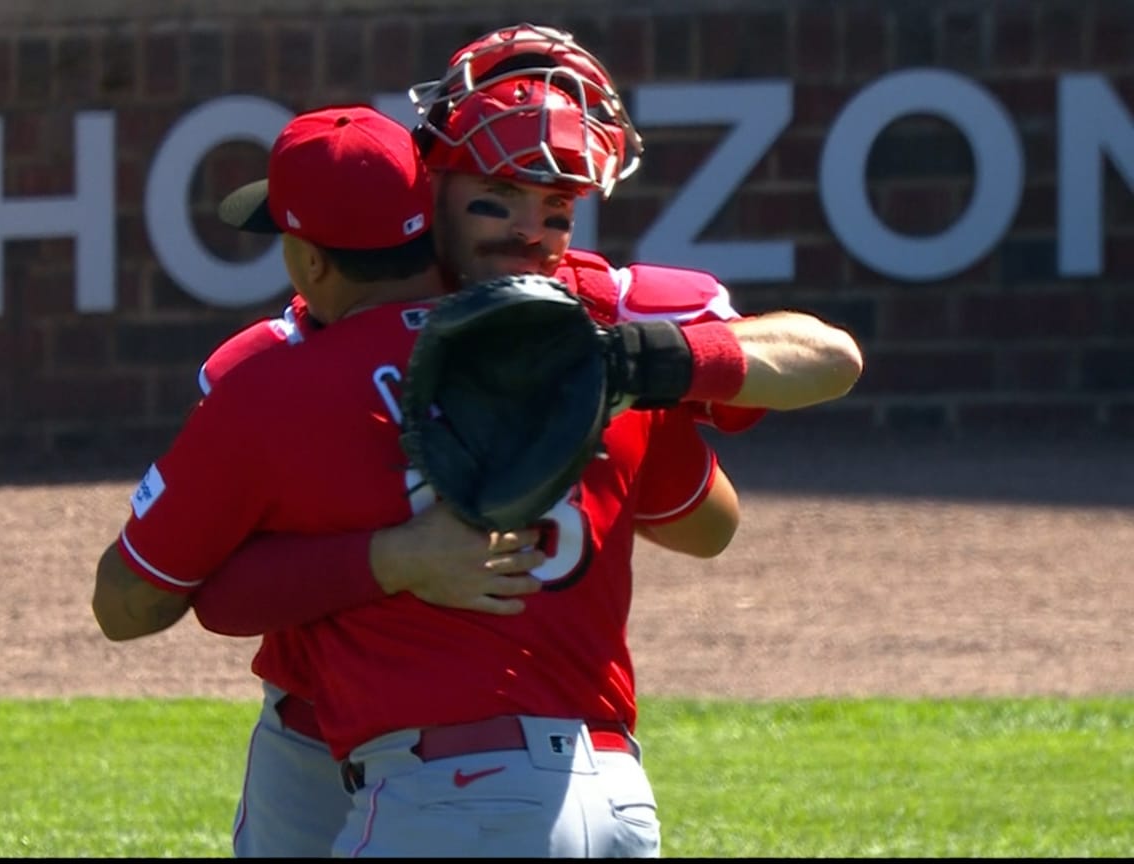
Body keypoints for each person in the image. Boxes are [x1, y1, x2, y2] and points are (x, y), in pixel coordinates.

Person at [96, 23, 861, 858]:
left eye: (558, 206)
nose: (530, 230)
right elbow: (708, 519)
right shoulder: (586, 330)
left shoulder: (592, 327)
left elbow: (824, 366)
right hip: (338, 731)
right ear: (431, 185)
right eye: (499, 196)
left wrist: (649, 362)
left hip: (440, 768)